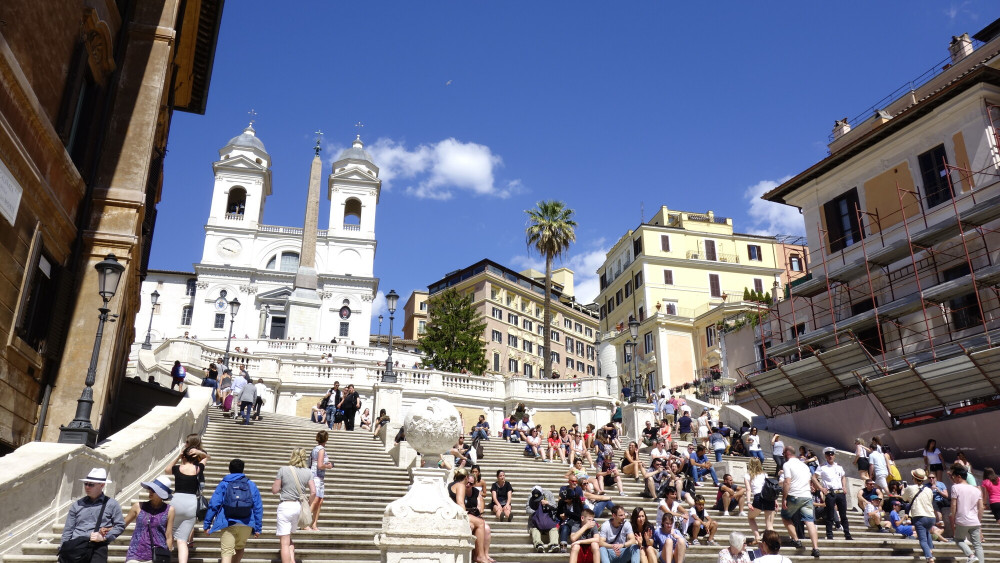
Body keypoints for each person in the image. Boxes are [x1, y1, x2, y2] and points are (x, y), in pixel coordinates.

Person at [58, 468, 126, 563]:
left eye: (91, 485)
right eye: (85, 484)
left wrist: (104, 538)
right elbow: (68, 530)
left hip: (97, 548)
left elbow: (120, 525)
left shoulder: (112, 504)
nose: (87, 487)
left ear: (102, 485)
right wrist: (63, 549)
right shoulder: (77, 504)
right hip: (76, 546)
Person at [203, 459, 264, 563]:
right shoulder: (251, 484)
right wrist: (258, 528)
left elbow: (214, 504)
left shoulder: (224, 484)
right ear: (242, 469)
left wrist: (207, 524)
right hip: (246, 523)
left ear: (229, 469)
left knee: (227, 552)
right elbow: (258, 507)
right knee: (239, 548)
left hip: (227, 522)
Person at [272, 448, 316, 563]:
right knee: (289, 538)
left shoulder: (283, 469)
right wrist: (308, 504)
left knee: (284, 543)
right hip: (298, 507)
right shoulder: (308, 472)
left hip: (285, 505)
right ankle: (292, 560)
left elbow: (274, 490)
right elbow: (313, 492)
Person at [122, 476, 175, 563]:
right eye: (150, 489)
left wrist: (167, 555)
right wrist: (108, 530)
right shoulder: (138, 506)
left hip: (156, 556)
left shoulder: (170, 510)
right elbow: (122, 525)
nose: (150, 491)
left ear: (161, 494)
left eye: (153, 490)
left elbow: (168, 536)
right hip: (135, 554)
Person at [779, 446, 820, 558]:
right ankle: (815, 548)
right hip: (807, 496)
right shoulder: (804, 465)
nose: (783, 455)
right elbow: (808, 480)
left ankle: (796, 540)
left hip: (794, 495)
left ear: (787, 453)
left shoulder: (787, 464)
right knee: (810, 522)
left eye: (783, 453)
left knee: (785, 517)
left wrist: (784, 498)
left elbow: (787, 482)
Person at [170, 445, 205, 563]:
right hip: (191, 503)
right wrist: (199, 452)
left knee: (169, 535)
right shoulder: (198, 468)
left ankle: (163, 559)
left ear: (183, 456)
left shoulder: (178, 468)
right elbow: (207, 457)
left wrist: (177, 457)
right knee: (182, 541)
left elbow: (167, 469)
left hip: (176, 502)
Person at [450, 468, 491, 563]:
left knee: (476, 525)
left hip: (454, 513)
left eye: (471, 483)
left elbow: (480, 504)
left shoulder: (451, 485)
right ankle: (479, 556)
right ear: (466, 478)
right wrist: (465, 517)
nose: (468, 484)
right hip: (459, 514)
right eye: (467, 481)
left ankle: (481, 555)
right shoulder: (460, 485)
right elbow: (460, 503)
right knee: (480, 523)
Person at [813, 446, 853, 540]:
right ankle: (829, 535)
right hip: (830, 492)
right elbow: (814, 477)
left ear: (834, 456)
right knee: (830, 515)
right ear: (825, 456)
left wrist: (844, 486)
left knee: (843, 515)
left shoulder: (839, 467)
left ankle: (847, 534)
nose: (830, 456)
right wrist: (821, 488)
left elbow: (843, 477)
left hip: (840, 492)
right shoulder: (822, 467)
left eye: (831, 454)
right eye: (828, 455)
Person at [948, 463, 984, 563]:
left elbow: (953, 504)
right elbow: (981, 507)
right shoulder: (976, 490)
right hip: (975, 521)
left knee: (958, 540)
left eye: (953, 476)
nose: (953, 479)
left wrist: (953, 518)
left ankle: (971, 555)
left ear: (959, 476)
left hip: (962, 519)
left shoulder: (955, 487)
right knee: (978, 545)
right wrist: (979, 520)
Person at [903, 468, 938, 563]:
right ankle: (930, 550)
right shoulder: (929, 490)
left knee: (922, 540)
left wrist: (903, 489)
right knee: (927, 532)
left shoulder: (910, 488)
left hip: (919, 516)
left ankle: (929, 557)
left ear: (914, 478)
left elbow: (904, 498)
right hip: (931, 516)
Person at [308, 431, 333, 531]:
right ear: (326, 439)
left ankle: (314, 524)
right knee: (316, 500)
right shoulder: (321, 450)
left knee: (319, 500)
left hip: (318, 477)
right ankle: (305, 522)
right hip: (316, 476)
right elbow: (320, 465)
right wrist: (328, 466)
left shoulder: (315, 448)